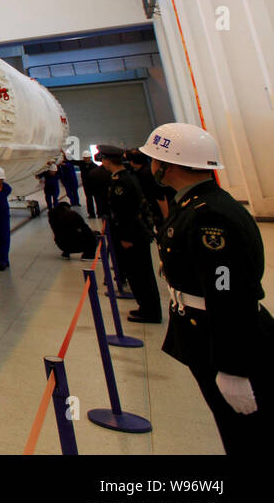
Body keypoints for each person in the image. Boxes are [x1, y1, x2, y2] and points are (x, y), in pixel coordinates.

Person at [142, 122, 273, 454]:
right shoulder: (196, 203)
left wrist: (233, 368)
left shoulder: (209, 217)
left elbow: (227, 293)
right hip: (205, 330)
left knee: (245, 434)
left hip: (220, 335)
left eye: (154, 160)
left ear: (168, 166)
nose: (151, 166)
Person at [98, 145, 161, 323]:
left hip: (132, 234)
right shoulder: (129, 177)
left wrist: (126, 237)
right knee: (141, 273)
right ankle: (148, 308)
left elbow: (126, 212)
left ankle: (149, 310)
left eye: (103, 159)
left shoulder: (122, 182)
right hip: (137, 232)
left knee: (140, 273)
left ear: (108, 161)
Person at [82, 152, 113, 221]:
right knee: (90, 200)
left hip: (95, 187)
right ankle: (92, 214)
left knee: (98, 200)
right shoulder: (83, 165)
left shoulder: (94, 167)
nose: (86, 159)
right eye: (85, 158)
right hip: (88, 186)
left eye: (87, 158)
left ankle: (99, 213)